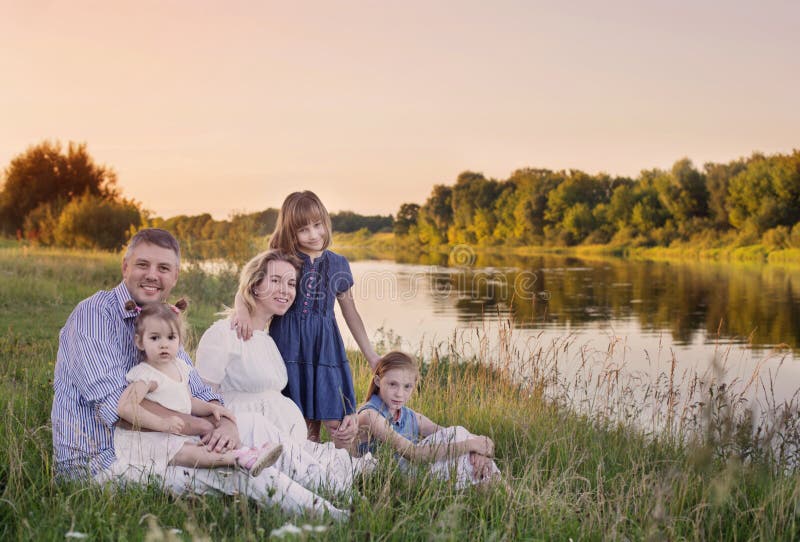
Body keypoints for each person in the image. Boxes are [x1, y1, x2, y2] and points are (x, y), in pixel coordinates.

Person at [51, 228, 347, 519]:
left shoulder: (162, 323)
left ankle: (337, 487)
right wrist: (204, 427)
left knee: (252, 425)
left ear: (175, 276)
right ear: (125, 267)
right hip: (105, 460)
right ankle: (334, 518)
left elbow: (200, 390)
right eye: (143, 264)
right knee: (239, 473)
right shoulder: (93, 316)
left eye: (163, 268)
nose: (153, 275)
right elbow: (121, 410)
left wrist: (226, 423)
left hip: (160, 442)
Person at [196, 249, 373, 493]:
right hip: (251, 437)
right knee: (334, 479)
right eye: (275, 281)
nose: (286, 290)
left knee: (351, 463)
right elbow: (203, 398)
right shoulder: (224, 334)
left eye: (291, 284)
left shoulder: (270, 340)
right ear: (255, 285)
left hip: (288, 441)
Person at [232, 191, 379, 446]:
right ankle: (307, 463)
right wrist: (242, 312)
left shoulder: (338, 264)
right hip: (287, 344)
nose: (313, 234)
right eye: (303, 229)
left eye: (317, 225)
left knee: (337, 419)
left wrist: (372, 356)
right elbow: (245, 287)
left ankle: (345, 467)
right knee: (298, 423)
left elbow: (351, 313)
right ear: (290, 231)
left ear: (325, 222)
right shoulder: (281, 258)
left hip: (325, 347)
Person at [115, 299, 282, 477]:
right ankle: (237, 459)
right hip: (149, 438)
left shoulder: (180, 367)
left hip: (174, 432)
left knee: (206, 441)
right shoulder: (146, 375)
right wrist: (162, 424)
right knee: (192, 452)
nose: (164, 344)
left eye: (171, 337)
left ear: (179, 341)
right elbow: (125, 407)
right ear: (140, 342)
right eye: (155, 338)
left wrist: (210, 407)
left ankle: (247, 452)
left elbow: (189, 401)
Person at [355, 351, 501, 488]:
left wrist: (480, 452)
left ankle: (499, 498)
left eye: (407, 387)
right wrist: (471, 445)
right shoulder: (370, 415)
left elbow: (459, 437)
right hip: (393, 483)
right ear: (378, 381)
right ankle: (505, 500)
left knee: (460, 435)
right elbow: (415, 454)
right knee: (463, 445)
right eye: (393, 384)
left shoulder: (410, 416)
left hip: (415, 477)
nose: (400, 394)